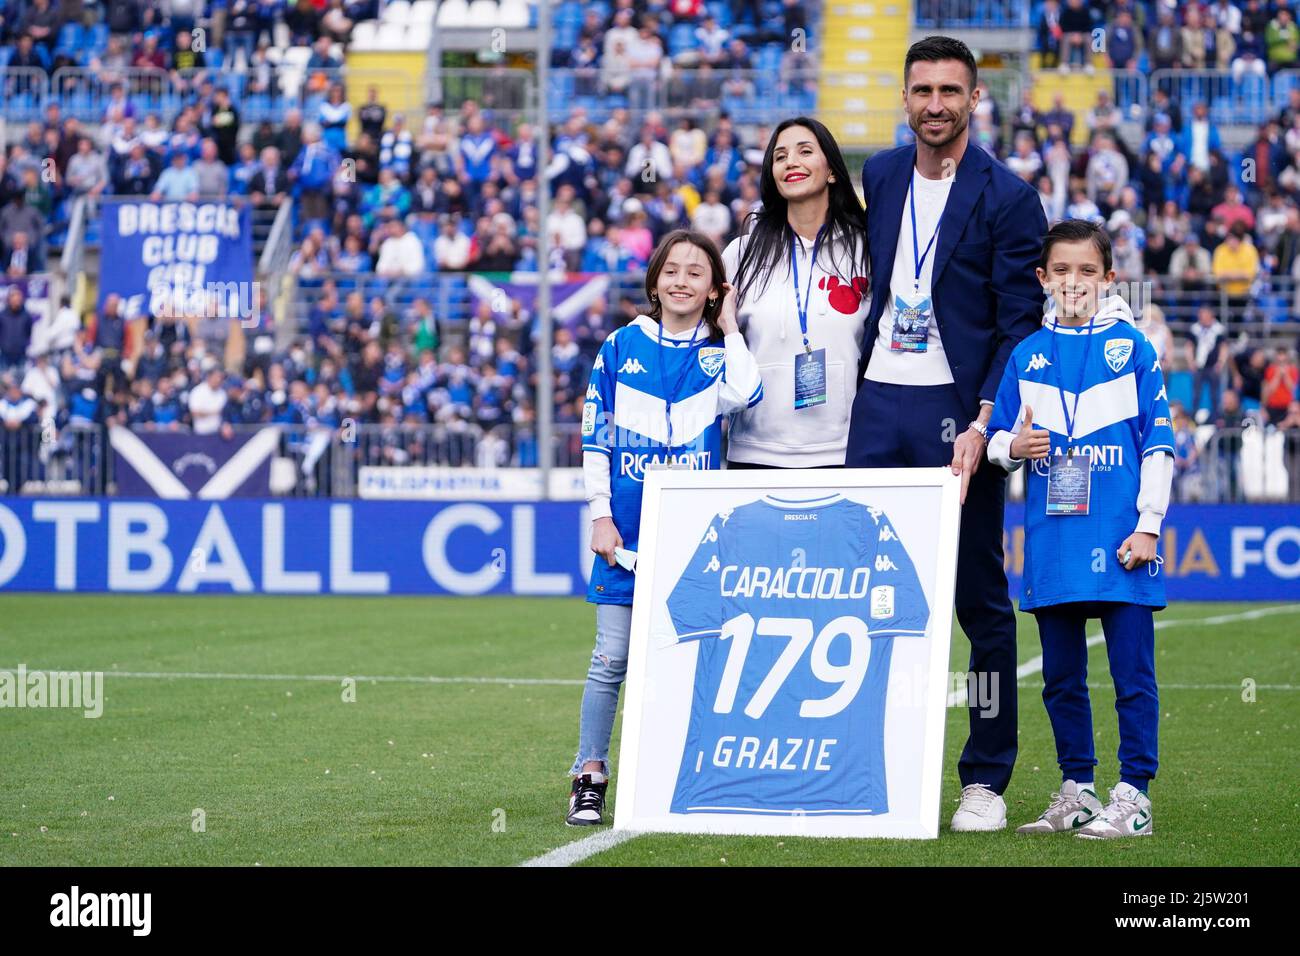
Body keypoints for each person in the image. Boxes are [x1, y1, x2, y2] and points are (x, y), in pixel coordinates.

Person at [847, 36, 1047, 831]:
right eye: (922, 90)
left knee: (978, 601)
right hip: (876, 405)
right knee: (865, 592)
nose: (935, 104)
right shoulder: (883, 173)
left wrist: (986, 418)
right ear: (905, 98)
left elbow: (1016, 325)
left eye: (950, 91)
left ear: (974, 100)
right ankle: (866, 759)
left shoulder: (1010, 196)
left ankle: (984, 780)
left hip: (960, 415)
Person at [565, 229, 763, 826]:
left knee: (691, 658)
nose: (681, 280)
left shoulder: (717, 350)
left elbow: (749, 392)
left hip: (695, 535)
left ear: (712, 289)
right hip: (623, 534)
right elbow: (594, 433)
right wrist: (600, 513)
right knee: (611, 657)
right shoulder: (620, 345)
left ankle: (679, 776)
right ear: (655, 282)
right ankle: (590, 772)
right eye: (671, 270)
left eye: (695, 273)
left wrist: (730, 327)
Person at [987, 219, 1174, 838]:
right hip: (1056, 538)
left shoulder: (1133, 347)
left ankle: (1136, 794)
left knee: (1131, 674)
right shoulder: (1026, 355)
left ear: (1109, 278)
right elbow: (993, 442)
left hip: (1123, 538)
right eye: (1061, 271)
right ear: (1043, 278)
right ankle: (1079, 789)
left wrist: (1149, 525)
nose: (1074, 282)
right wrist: (1014, 444)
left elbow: (1160, 443)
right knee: (1062, 677)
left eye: (1087, 271)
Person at [723, 116, 870, 469]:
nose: (791, 162)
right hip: (754, 452)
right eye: (780, 156)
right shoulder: (741, 254)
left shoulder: (868, 250)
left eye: (805, 151)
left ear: (832, 170)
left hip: (844, 450)